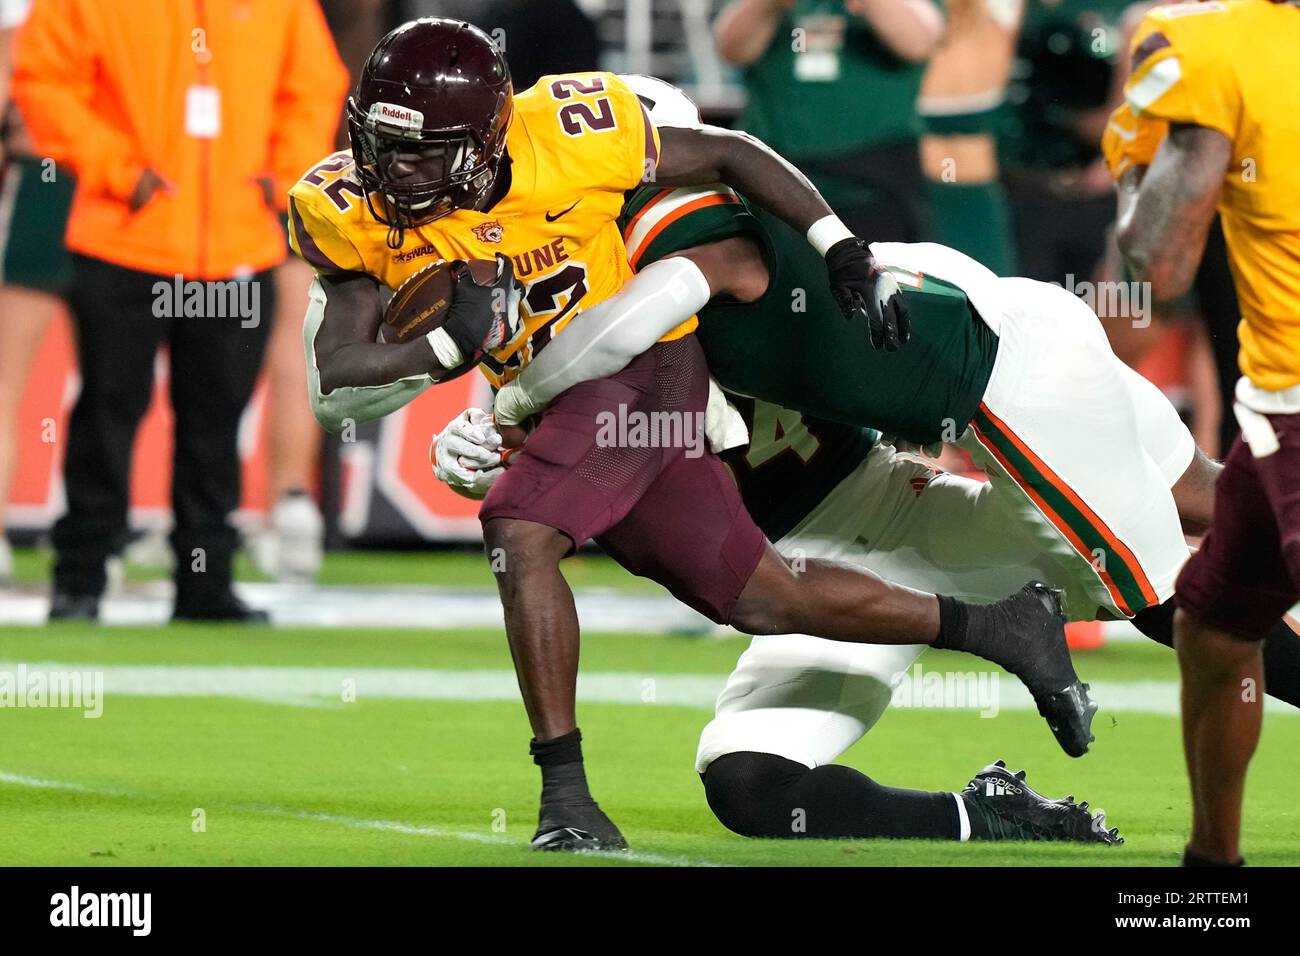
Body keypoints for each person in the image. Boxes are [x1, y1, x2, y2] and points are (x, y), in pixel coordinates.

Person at [289, 19, 1086, 852]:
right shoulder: (345, 208)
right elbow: (338, 377)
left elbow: (729, 161)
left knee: (521, 535)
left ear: (488, 142)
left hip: (638, 372)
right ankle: (998, 627)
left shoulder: (577, 140)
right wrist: (447, 352)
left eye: (421, 153)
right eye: (379, 145)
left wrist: (836, 242)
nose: (393, 172)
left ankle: (565, 797)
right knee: (765, 598)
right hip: (578, 394)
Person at [12, 0, 348, 621]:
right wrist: (121, 172)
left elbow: (314, 87)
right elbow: (46, 82)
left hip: (235, 244)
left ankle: (205, 581)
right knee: (109, 410)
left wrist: (280, 178)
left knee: (215, 421)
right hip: (121, 239)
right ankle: (82, 576)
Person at [1113, 0, 1300, 867]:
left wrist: (1134, 171)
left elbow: (1159, 265)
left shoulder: (1220, 48)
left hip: (1292, 406)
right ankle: (1211, 869)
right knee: (1217, 626)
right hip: (1270, 412)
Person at [713, 0, 945, 243]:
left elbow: (919, 41)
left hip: (873, 176)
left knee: (879, 275)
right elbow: (731, 49)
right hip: (773, 170)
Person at [0, 0, 73, 583]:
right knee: (122, 388)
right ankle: (111, 535)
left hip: (46, 178)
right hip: (136, 186)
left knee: (5, 377)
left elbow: (10, 71)